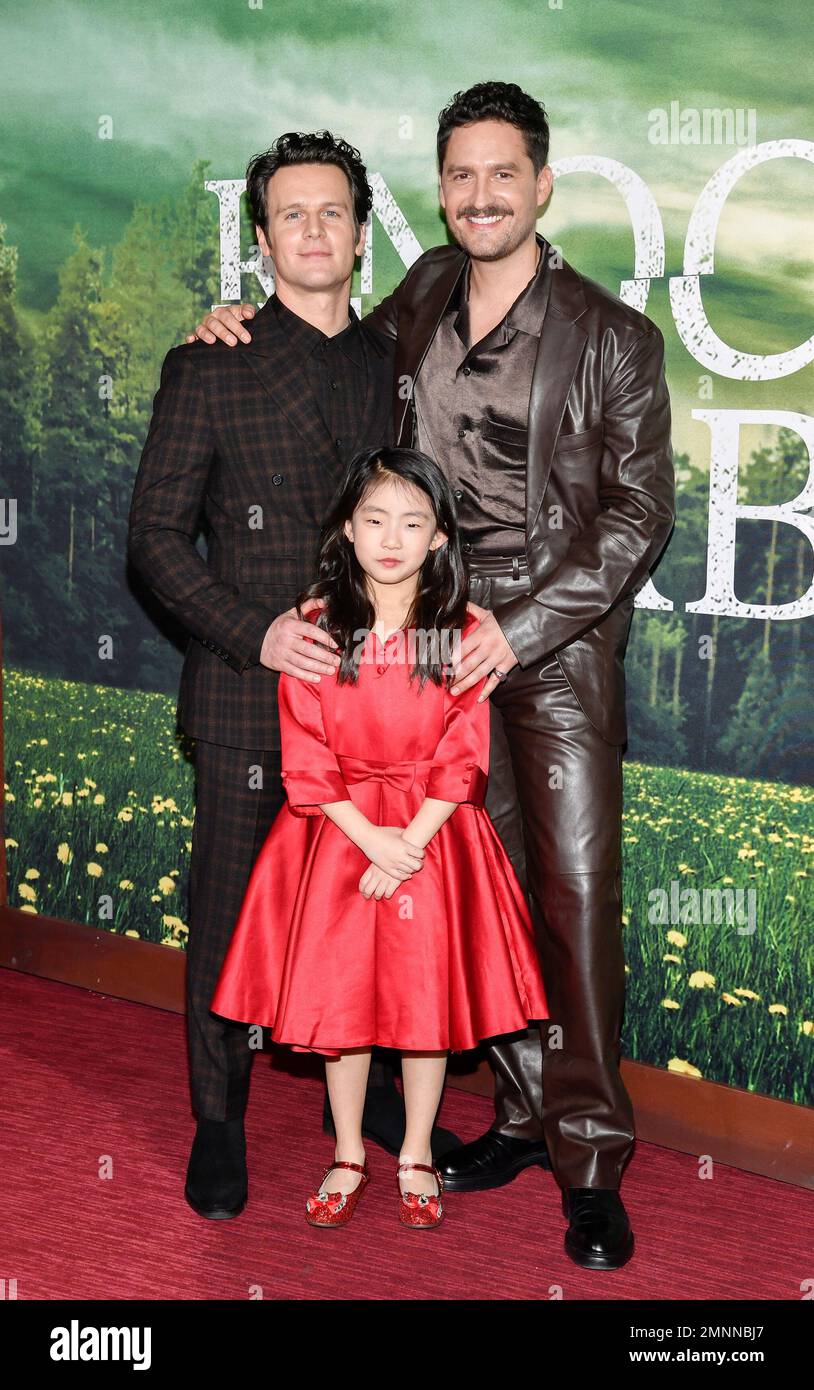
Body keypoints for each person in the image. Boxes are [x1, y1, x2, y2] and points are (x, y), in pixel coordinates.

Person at [190, 80, 676, 1269]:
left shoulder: (612, 336)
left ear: (542, 183)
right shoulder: (415, 299)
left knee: (569, 899)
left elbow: (638, 515)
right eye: (458, 176)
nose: (478, 195)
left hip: (546, 653)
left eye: (501, 173)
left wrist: (524, 625)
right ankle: (516, 1113)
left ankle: (591, 1154)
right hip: (417, 655)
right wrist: (229, 317)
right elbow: (321, 326)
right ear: (441, 194)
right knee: (472, 895)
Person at [128, 130, 460, 1229]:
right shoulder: (209, 359)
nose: (313, 231)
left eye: (333, 213)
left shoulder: (391, 365)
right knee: (229, 915)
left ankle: (357, 1121)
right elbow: (155, 542)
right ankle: (216, 1119)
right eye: (291, 214)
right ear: (262, 236)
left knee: (372, 910)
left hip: (378, 719)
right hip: (244, 699)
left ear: (362, 236)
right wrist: (254, 634)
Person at [209, 445, 549, 1228]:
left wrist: (410, 845)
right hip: (337, 838)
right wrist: (370, 840)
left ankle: (421, 1150)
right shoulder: (317, 628)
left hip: (436, 840)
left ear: (438, 537)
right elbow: (306, 757)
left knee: (424, 1009)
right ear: (347, 531)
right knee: (344, 1009)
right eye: (374, 520)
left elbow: (464, 755)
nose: (391, 538)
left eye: (412, 522)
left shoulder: (458, 631)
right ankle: (351, 1151)